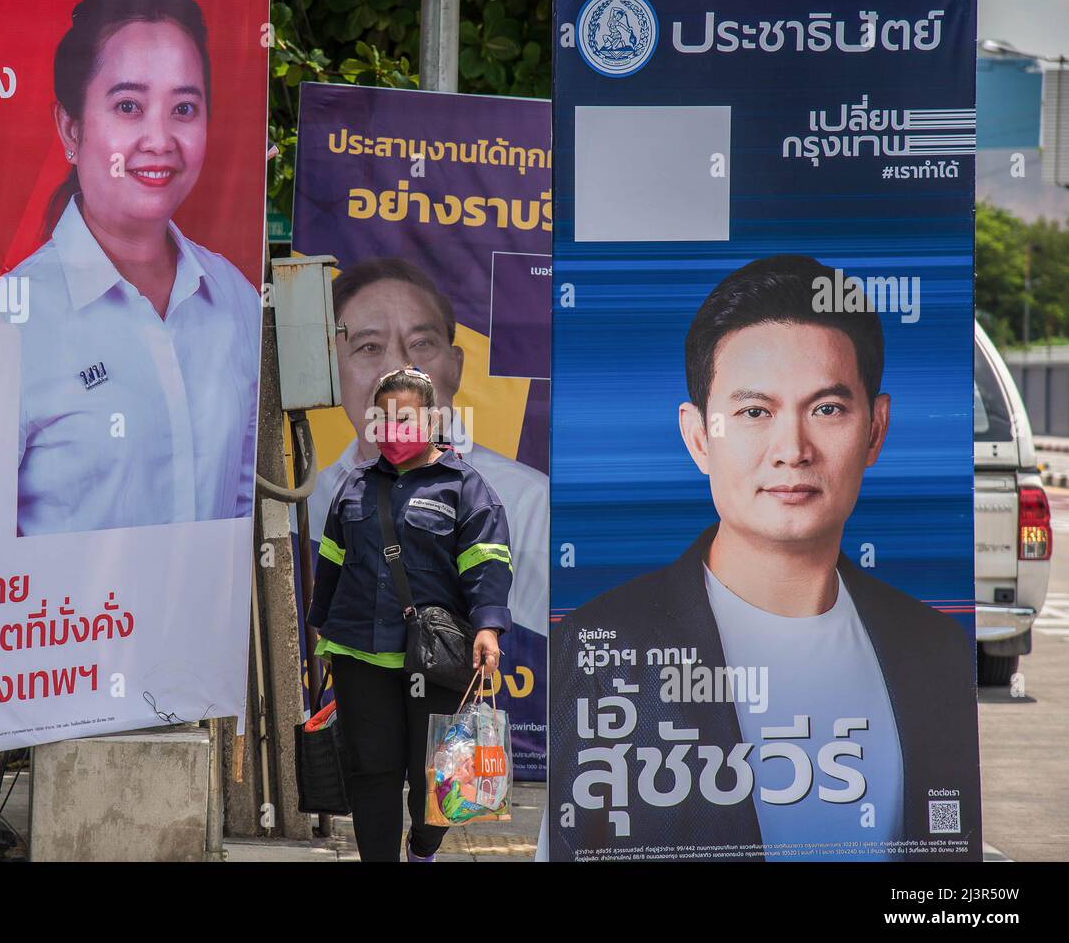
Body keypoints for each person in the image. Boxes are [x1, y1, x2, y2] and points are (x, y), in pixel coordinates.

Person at [548, 254, 980, 862]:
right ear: (698, 437)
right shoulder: (600, 643)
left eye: (827, 409)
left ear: (876, 430)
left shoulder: (933, 647)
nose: (792, 450)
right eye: (754, 412)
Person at [0, 0, 259, 536]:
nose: (160, 140)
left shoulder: (235, 300)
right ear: (72, 130)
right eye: (128, 106)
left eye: (184, 108)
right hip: (61, 623)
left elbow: (242, 519)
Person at [307, 367, 513, 862]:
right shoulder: (354, 485)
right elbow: (332, 558)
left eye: (407, 417)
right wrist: (323, 626)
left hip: (434, 659)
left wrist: (487, 626)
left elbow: (488, 561)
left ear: (434, 418)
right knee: (371, 771)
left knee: (436, 778)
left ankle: (423, 848)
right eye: (384, 417)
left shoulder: (464, 488)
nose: (395, 427)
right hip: (360, 651)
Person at [306, 258, 548, 640]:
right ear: (334, 372)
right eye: (369, 346)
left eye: (421, 343)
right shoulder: (308, 503)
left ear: (455, 367)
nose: (398, 368)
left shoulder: (529, 501)